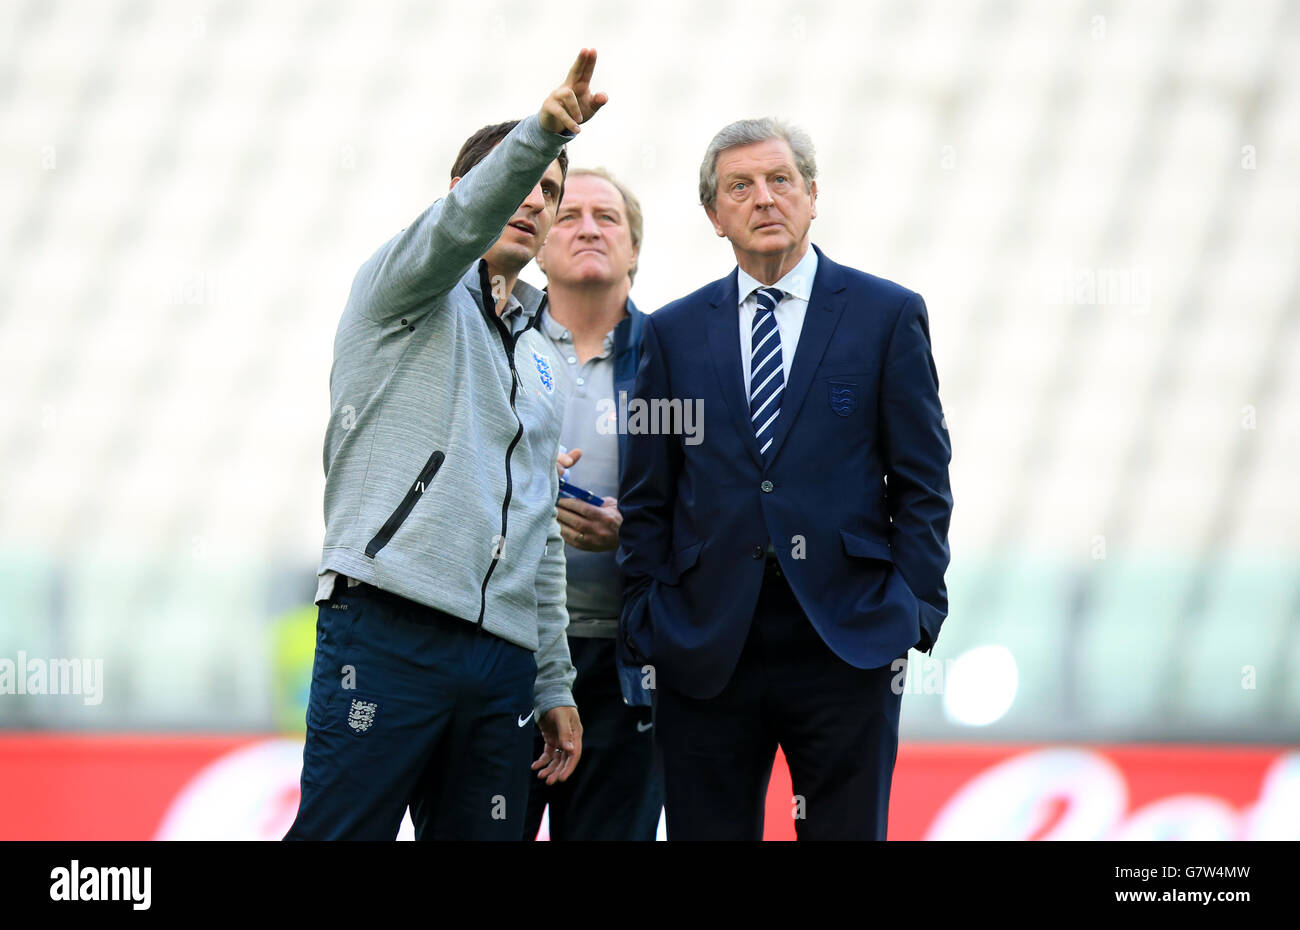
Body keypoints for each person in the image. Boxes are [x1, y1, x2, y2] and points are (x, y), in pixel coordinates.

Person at [285, 49, 608, 841]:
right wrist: (539, 136)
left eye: (552, 195)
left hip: (501, 661)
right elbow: (459, 226)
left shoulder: (542, 349)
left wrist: (553, 680)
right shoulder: (403, 283)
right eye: (521, 180)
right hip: (388, 626)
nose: (536, 200)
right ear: (466, 191)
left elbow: (538, 523)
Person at [616, 118, 953, 840]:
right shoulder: (671, 335)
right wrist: (650, 615)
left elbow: (923, 480)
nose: (764, 198)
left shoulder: (886, 315)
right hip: (706, 643)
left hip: (847, 638)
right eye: (740, 186)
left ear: (812, 195)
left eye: (781, 181)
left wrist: (913, 607)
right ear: (714, 216)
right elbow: (651, 490)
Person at [521, 168, 664, 841]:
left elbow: (722, 507)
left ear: (634, 248)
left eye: (607, 217)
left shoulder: (679, 359)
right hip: (509, 651)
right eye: (569, 213)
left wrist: (631, 534)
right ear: (541, 243)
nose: (586, 227)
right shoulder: (494, 345)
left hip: (627, 662)